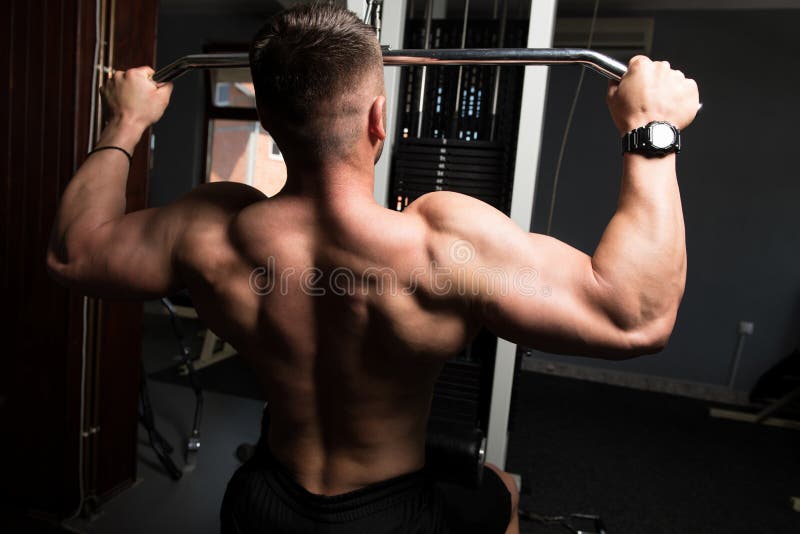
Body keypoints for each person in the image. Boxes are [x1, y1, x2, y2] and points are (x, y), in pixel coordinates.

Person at [47, 4, 699, 534]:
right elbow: (637, 319)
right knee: (498, 493)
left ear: (267, 124)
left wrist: (126, 120)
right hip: (390, 516)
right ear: (379, 121)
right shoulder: (439, 245)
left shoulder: (210, 231)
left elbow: (73, 251)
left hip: (263, 502)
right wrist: (652, 132)